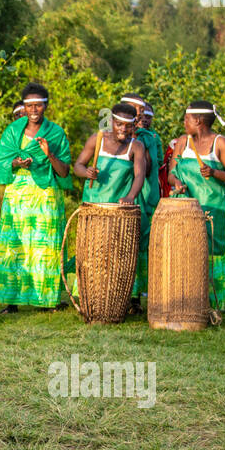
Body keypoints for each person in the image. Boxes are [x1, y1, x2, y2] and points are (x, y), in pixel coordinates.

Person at [0, 85, 73, 313]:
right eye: (29, 105)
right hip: (17, 197)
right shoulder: (12, 132)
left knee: (45, 248)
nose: (33, 109)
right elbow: (0, 161)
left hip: (46, 197)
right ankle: (11, 302)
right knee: (15, 245)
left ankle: (45, 301)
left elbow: (64, 172)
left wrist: (49, 154)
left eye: (38, 104)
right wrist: (15, 163)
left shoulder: (56, 133)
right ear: (24, 107)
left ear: (46, 105)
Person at [165, 101, 225, 309]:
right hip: (185, 208)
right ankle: (183, 301)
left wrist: (215, 173)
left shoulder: (221, 143)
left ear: (198, 120)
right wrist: (177, 182)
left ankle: (210, 304)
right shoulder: (183, 142)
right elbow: (172, 172)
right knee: (183, 251)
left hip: (211, 209)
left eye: (186, 119)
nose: (184, 123)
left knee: (208, 253)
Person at [71, 102, 148, 301]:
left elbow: (140, 175)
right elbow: (77, 166)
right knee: (92, 253)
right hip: (93, 208)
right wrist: (86, 172)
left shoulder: (136, 146)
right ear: (111, 121)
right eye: (119, 124)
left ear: (134, 125)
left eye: (128, 125)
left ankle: (119, 297)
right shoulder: (97, 140)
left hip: (119, 210)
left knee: (118, 255)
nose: (124, 129)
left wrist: (130, 196)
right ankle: (90, 295)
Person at [120, 93, 162, 312]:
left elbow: (146, 168)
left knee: (140, 242)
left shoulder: (146, 137)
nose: (139, 114)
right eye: (135, 110)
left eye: (142, 111)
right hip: (120, 192)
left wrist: (137, 137)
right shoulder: (110, 134)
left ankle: (136, 298)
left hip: (142, 194)